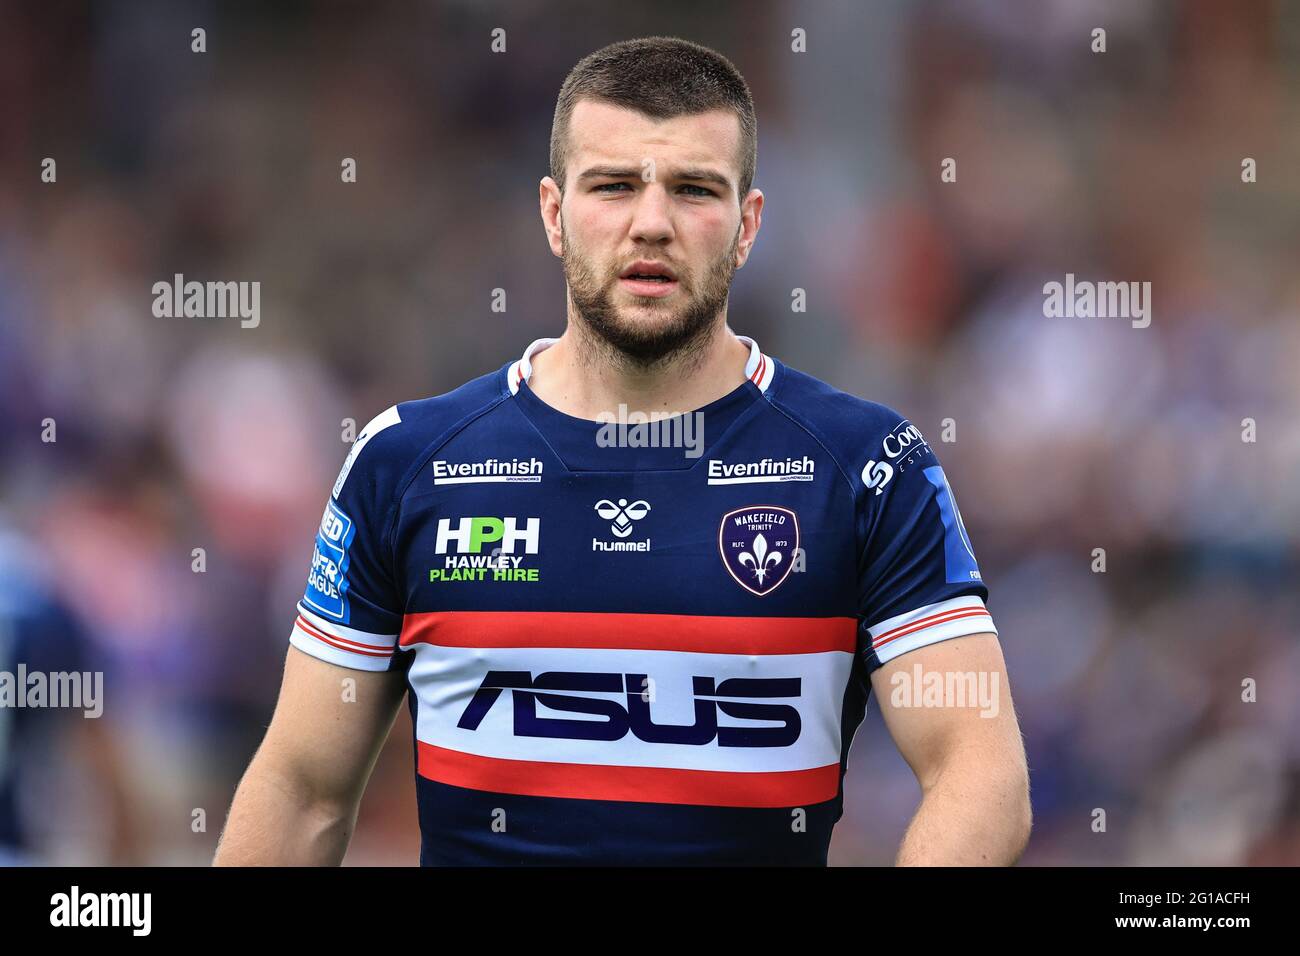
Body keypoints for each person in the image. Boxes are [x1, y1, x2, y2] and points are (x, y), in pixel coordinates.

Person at [215, 36, 1030, 866]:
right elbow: (302, 791)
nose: (651, 223)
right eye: (612, 186)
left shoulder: (865, 466)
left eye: (694, 190)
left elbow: (979, 773)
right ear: (552, 212)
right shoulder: (407, 463)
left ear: (747, 225)